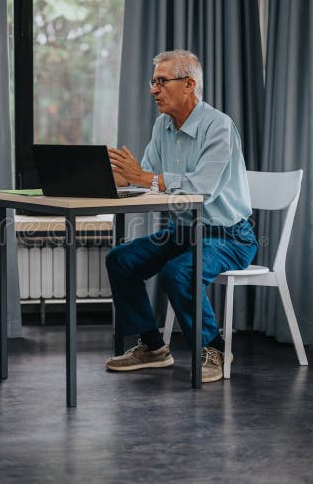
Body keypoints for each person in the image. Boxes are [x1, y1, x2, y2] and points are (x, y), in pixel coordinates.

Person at [106, 49, 257, 383]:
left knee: (180, 272)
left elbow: (201, 190)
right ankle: (153, 347)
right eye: (153, 81)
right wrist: (103, 175)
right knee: (120, 259)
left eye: (161, 81)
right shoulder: (163, 125)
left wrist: (141, 177)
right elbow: (145, 177)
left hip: (229, 236)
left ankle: (215, 348)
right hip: (183, 231)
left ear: (189, 84)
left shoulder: (219, 127)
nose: (153, 89)